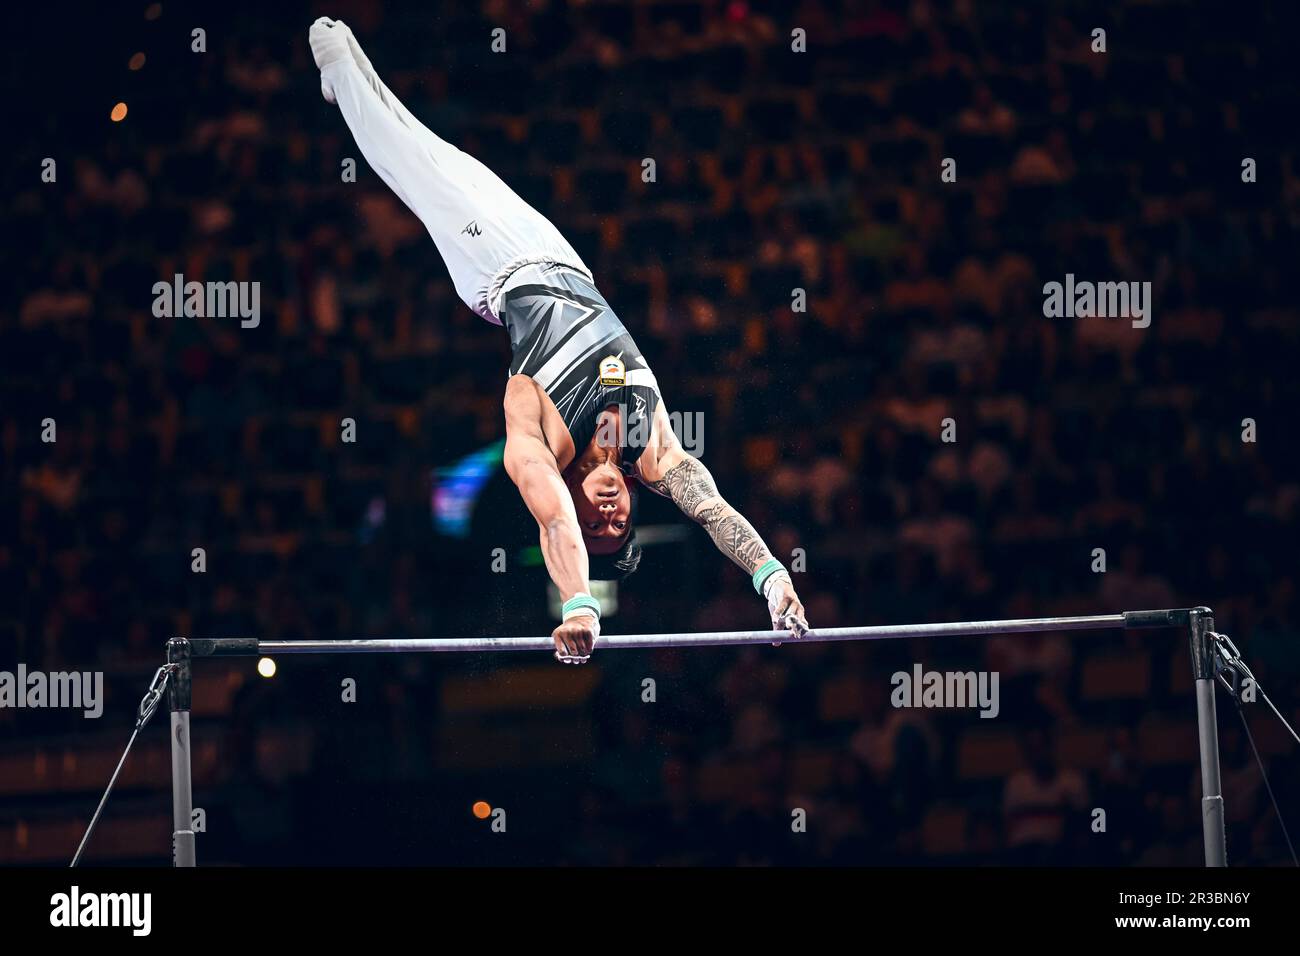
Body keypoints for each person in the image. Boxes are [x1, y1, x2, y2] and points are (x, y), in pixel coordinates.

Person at [309, 18, 809, 663]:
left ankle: (341, 74)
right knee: (436, 154)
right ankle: (347, 78)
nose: (608, 515)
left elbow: (552, 523)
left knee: (412, 169)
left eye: (594, 524)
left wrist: (578, 606)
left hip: (494, 273)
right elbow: (711, 509)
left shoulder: (539, 442)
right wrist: (771, 576)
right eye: (618, 524)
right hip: (561, 258)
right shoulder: (652, 447)